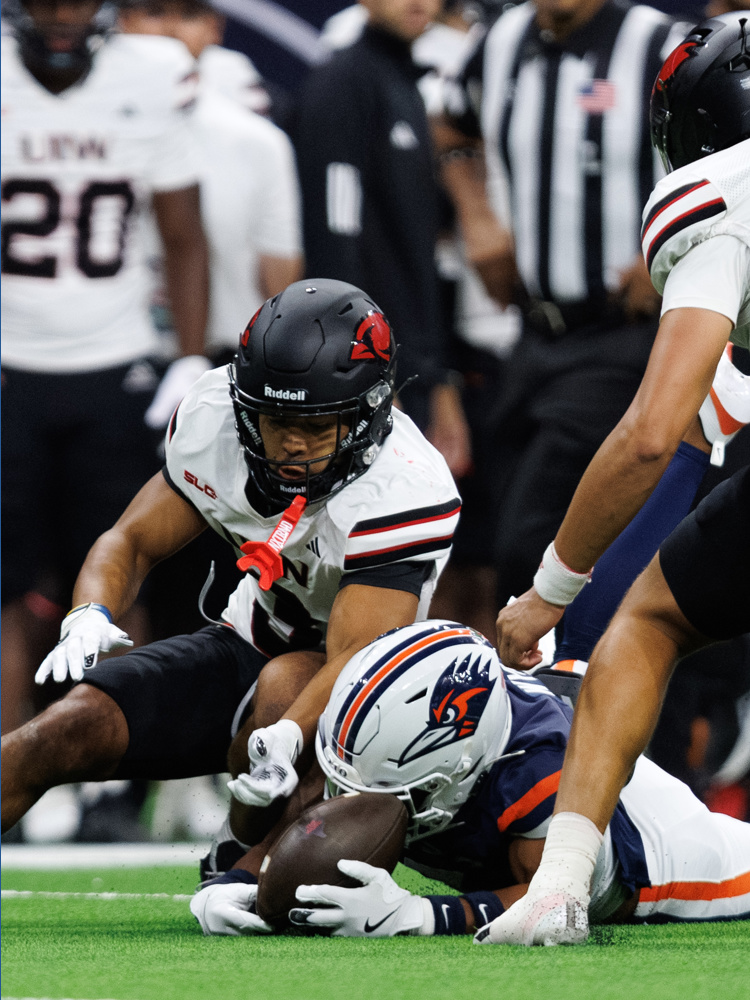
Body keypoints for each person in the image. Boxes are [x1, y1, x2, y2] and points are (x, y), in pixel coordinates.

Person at [0, 280, 462, 863]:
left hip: (359, 703)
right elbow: (130, 541)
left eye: (316, 426)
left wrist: (287, 737)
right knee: (58, 733)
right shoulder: (215, 413)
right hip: (244, 643)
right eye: (273, 420)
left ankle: (240, 852)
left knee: (285, 691)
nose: (292, 444)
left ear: (367, 415)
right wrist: (90, 611)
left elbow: (352, 661)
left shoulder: (404, 488)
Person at [487, 12, 750, 946]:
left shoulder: (717, 188)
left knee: (646, 619)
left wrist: (547, 591)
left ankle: (557, 890)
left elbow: (649, 432)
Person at [188, 620, 750, 937]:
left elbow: (562, 904)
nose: (349, 798)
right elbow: (310, 790)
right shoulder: (407, 733)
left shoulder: (536, 777)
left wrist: (423, 914)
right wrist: (229, 883)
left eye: (376, 784)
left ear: (458, 770)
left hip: (698, 868)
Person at [1, 0, 209, 734]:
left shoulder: (148, 77)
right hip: (9, 365)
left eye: (76, 2)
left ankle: (113, 766)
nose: (61, 19)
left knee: (119, 573)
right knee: (5, 586)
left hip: (114, 361)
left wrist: (187, 355)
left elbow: (184, 232)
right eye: (46, 3)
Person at [439, 0, 688, 610]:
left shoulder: (659, 43)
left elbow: (735, 148)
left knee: (535, 541)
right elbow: (449, 123)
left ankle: (546, 696)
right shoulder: (500, 41)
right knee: (508, 534)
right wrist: (477, 219)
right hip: (530, 334)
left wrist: (678, 240)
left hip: (620, 334)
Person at [291, 0, 471, 475]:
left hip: (412, 364)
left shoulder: (405, 79)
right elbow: (333, 240)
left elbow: (416, 256)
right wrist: (368, 373)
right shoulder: (343, 84)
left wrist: (436, 375)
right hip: (371, 369)